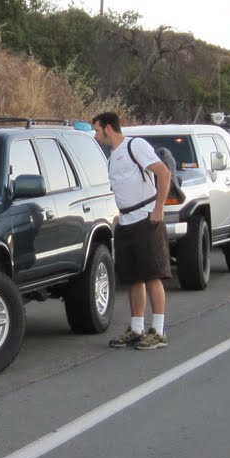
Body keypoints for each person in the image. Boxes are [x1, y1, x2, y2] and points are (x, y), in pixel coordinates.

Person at [91, 111, 175, 350]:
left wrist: (158, 208)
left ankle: (158, 331)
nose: (96, 135)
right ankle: (136, 328)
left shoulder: (134, 146)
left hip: (145, 217)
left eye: (97, 130)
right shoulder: (112, 157)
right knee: (133, 277)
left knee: (152, 274)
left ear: (108, 128)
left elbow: (163, 172)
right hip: (126, 221)